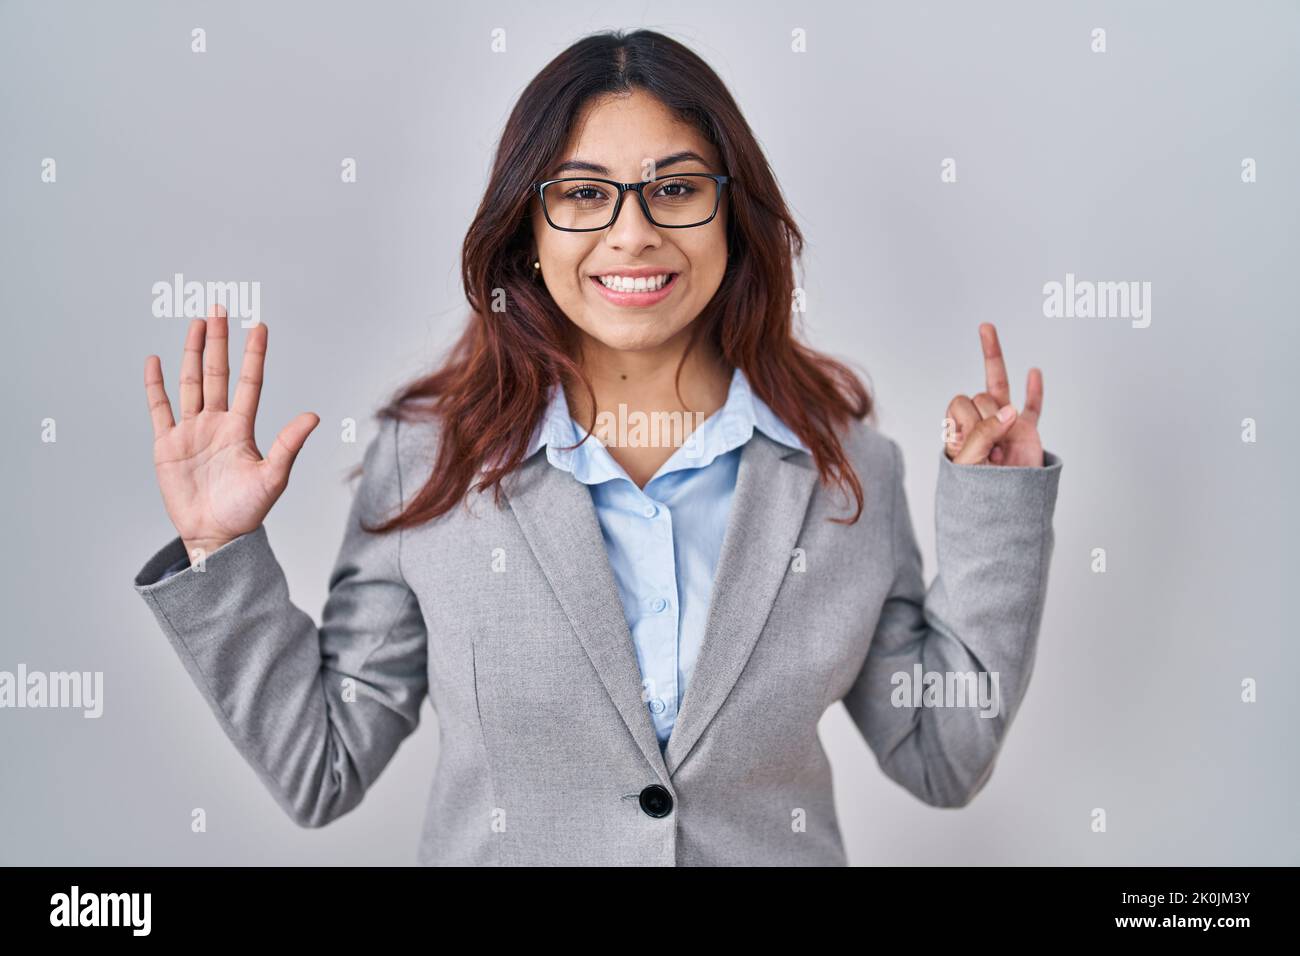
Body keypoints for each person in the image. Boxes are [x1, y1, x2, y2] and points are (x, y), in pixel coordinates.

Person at [134, 29, 1063, 866]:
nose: (633, 231)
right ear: (527, 231)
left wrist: (998, 517)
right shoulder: (426, 459)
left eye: (676, 188)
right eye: (583, 194)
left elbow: (944, 756)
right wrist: (221, 554)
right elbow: (320, 770)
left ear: (733, 218)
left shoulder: (845, 465)